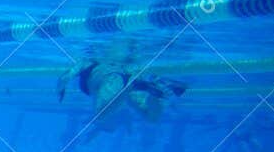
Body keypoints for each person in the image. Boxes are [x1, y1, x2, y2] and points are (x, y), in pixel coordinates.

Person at [58, 47, 186, 135]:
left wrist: (61, 88)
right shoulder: (89, 62)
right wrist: (61, 87)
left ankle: (137, 84)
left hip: (113, 79)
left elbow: (66, 76)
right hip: (124, 80)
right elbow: (65, 77)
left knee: (100, 114)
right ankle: (156, 88)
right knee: (151, 118)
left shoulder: (87, 61)